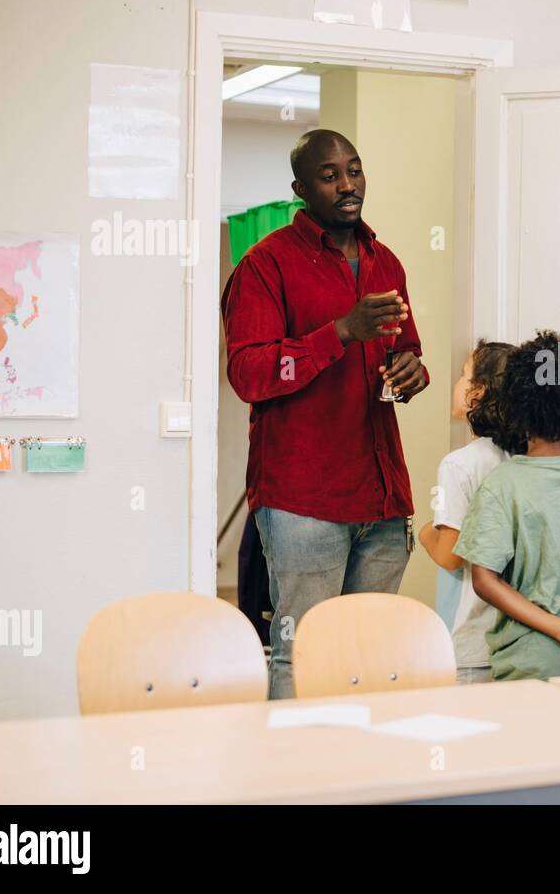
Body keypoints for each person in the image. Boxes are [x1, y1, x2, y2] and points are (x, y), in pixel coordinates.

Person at [221, 129, 428, 699]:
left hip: (382, 496)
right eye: (329, 175)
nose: (347, 185)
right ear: (300, 189)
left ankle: (355, 780)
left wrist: (413, 370)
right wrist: (339, 332)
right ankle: (294, 783)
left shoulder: (386, 261)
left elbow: (406, 348)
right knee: (303, 650)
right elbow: (250, 374)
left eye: (354, 170)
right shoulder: (266, 265)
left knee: (367, 653)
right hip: (303, 501)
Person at [454, 331, 560, 680]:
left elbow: (484, 580)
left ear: (515, 403)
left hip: (526, 662)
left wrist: (557, 629)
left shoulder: (503, 483)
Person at [419, 339, 518, 684]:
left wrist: (425, 531)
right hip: (511, 637)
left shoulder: (459, 465)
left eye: (464, 375)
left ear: (478, 394)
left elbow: (450, 554)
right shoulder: (524, 459)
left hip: (467, 638)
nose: (457, 384)